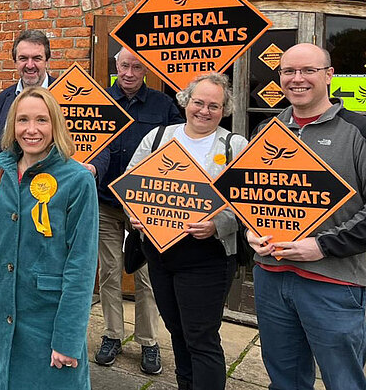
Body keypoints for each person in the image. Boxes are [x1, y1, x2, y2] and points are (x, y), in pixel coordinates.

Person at [0, 86, 99, 390]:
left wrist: (68, 337)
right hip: (1, 310)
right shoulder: (0, 171)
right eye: (23, 120)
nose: (31, 130)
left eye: (41, 120)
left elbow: (82, 263)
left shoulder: (77, 179)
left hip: (47, 317)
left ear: (55, 125)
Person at [247, 43, 366, 389]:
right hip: (271, 277)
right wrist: (249, 231)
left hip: (334, 282)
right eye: (288, 71)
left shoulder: (358, 130)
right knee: (284, 380)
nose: (297, 79)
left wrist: (323, 246)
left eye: (308, 70)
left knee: (343, 381)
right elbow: (250, 196)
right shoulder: (265, 130)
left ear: (329, 75)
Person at [127, 73, 246, 390]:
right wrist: (134, 214)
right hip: (160, 254)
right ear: (185, 102)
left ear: (224, 109)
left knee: (201, 337)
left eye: (214, 106)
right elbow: (131, 184)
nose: (204, 111)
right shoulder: (158, 137)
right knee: (176, 331)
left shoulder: (234, 145)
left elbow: (248, 202)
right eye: (198, 102)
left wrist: (217, 224)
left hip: (207, 257)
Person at [95, 47, 183, 373]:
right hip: (105, 200)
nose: (129, 73)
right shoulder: (100, 100)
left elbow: (182, 145)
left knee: (147, 276)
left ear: (146, 70)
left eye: (136, 67)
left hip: (145, 206)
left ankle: (148, 340)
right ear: (116, 66)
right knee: (109, 271)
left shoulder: (163, 105)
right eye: (124, 66)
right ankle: (112, 335)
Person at [0, 29, 55, 163]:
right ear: (15, 62)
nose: (30, 65)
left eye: (37, 58)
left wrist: (92, 168)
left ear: (46, 61)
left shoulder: (65, 95)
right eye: (23, 58)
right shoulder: (2, 99)